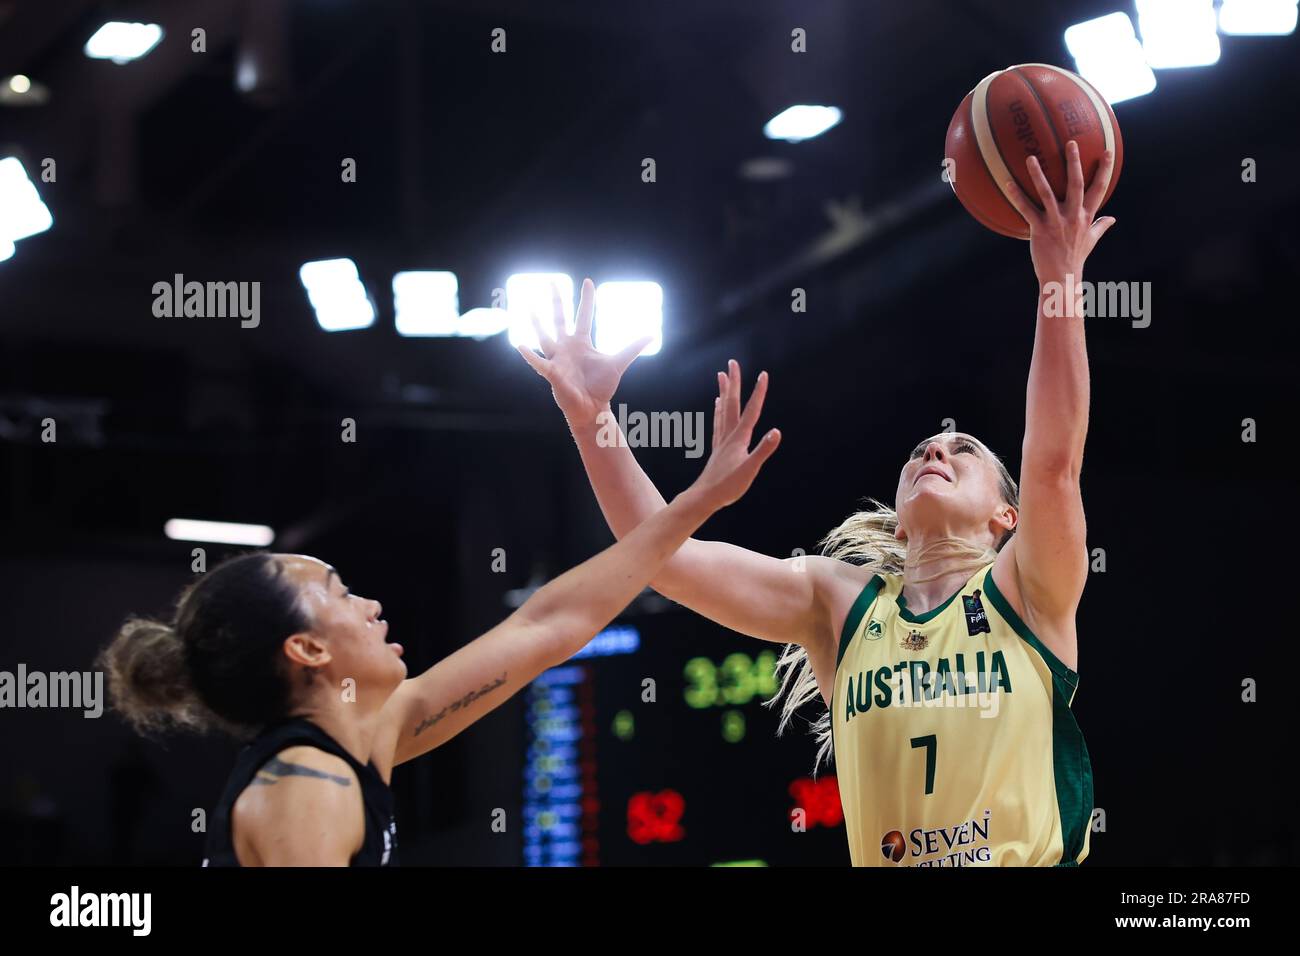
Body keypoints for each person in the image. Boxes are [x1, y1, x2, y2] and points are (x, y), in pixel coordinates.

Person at [519, 142, 1115, 866]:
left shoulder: (1030, 588)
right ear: (897, 516)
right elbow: (661, 559)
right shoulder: (840, 602)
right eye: (922, 451)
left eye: (962, 453)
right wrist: (594, 422)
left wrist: (1060, 280)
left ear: (1005, 518)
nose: (935, 453)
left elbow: (1052, 463)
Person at [96, 373, 780, 866]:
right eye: (338, 593)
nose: (368, 606)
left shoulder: (368, 739)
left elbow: (547, 625)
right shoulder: (303, 790)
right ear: (305, 648)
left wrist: (693, 502)